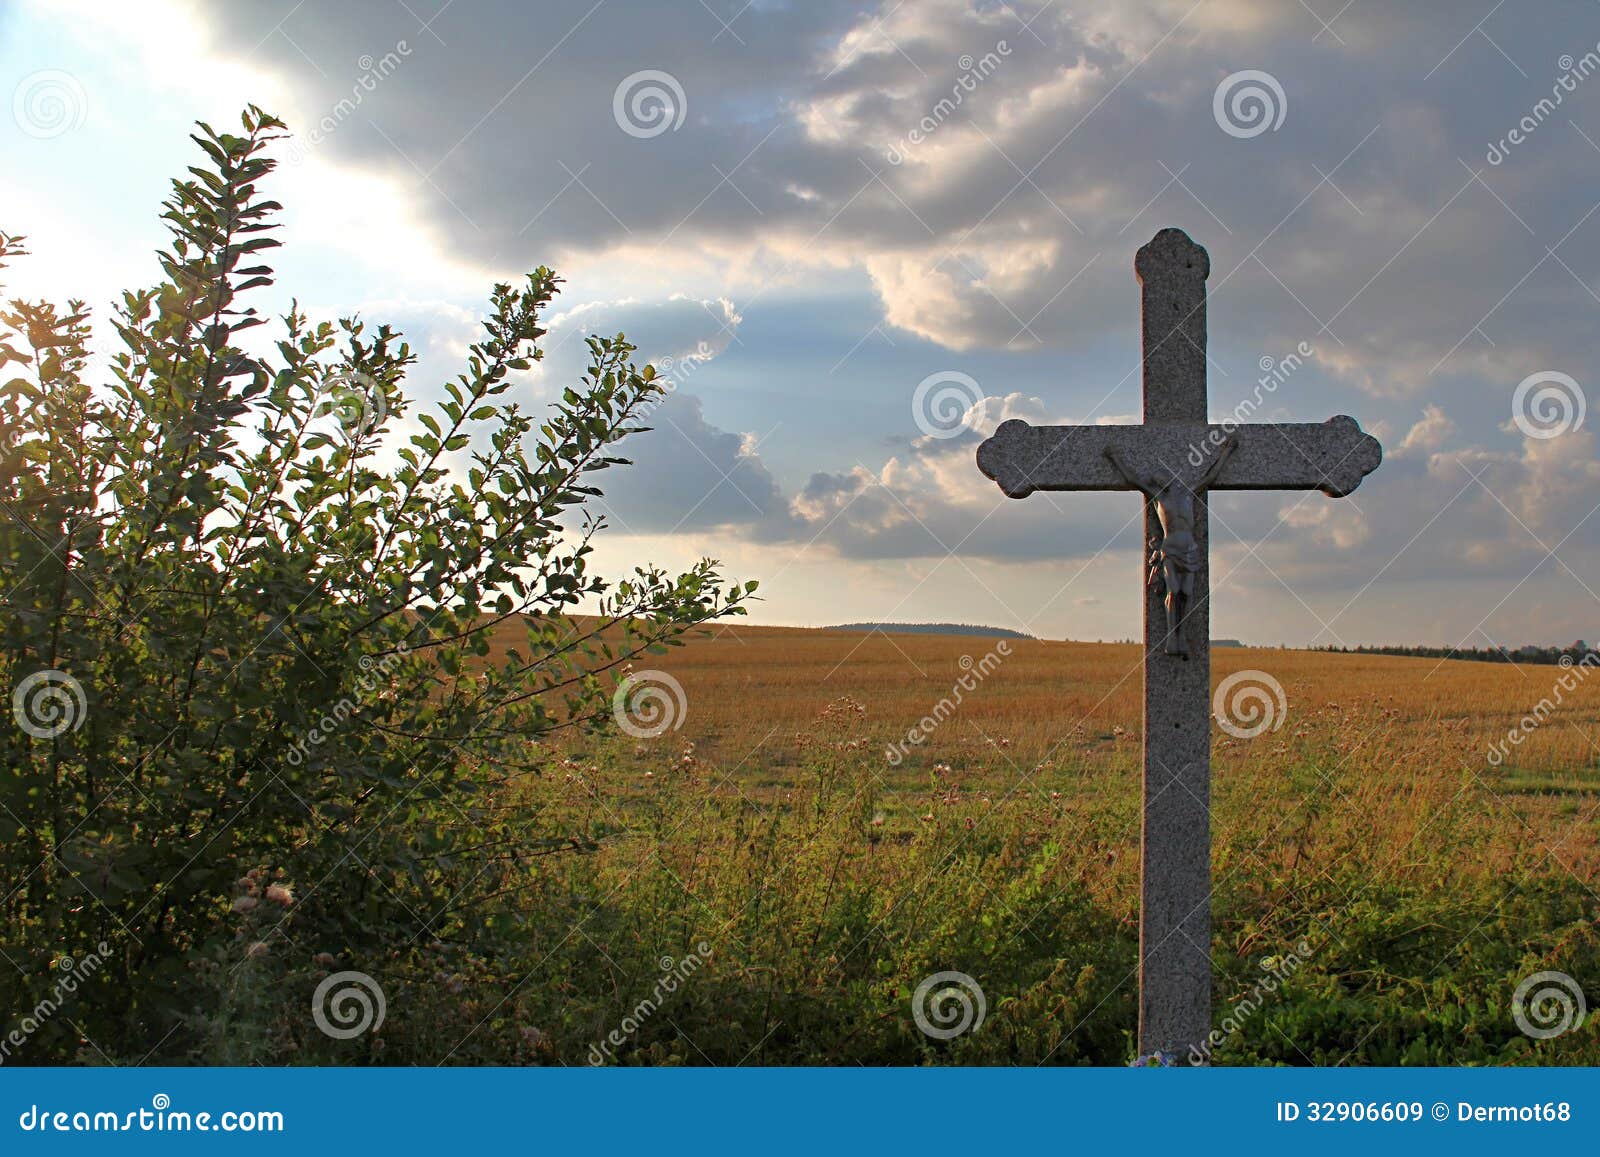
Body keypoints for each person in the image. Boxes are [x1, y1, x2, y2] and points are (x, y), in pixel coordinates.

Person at [1103, 435, 1237, 655]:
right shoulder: (1158, 498)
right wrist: (1114, 458)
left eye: (1162, 476)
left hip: (1190, 550)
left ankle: (1181, 636)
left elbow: (1211, 477)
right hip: (1170, 550)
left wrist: (1227, 452)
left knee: (1187, 593)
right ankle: (1171, 639)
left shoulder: (1189, 493)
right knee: (1173, 591)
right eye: (1157, 479)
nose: (1159, 480)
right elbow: (1132, 479)